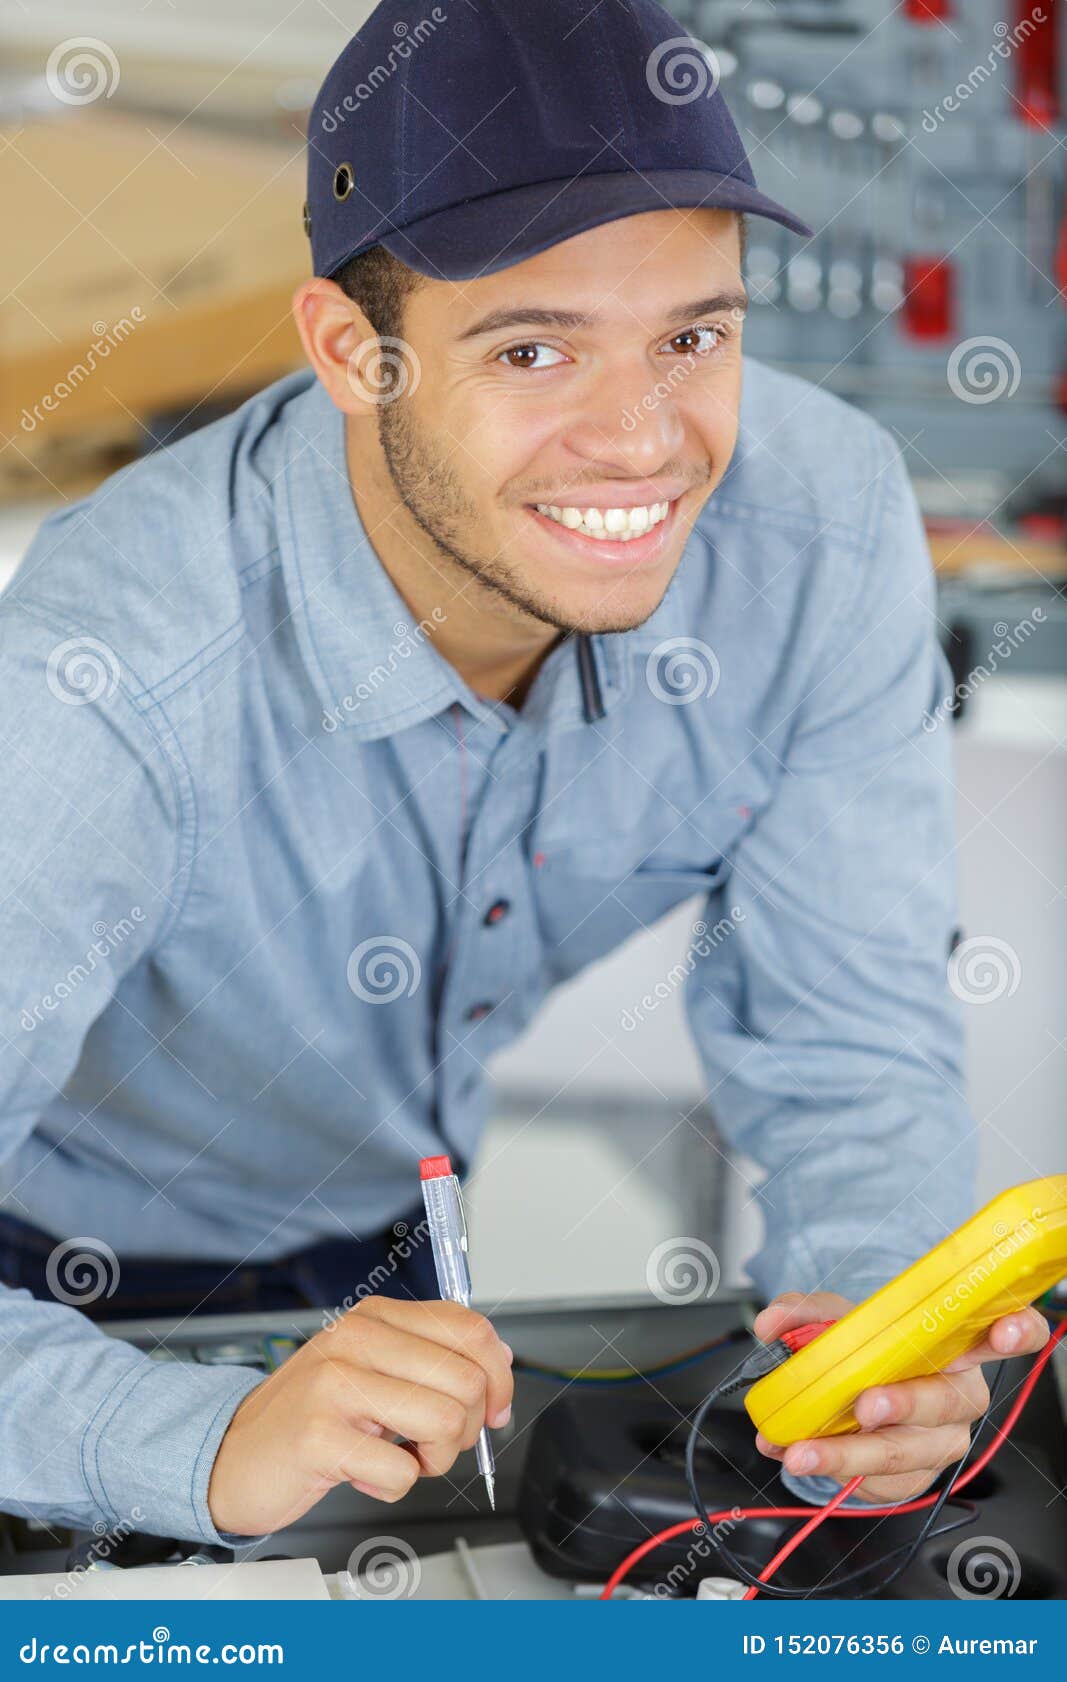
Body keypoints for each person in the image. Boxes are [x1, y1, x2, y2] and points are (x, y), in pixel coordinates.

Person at [0, 0, 1046, 1552]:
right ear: (355, 355)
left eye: (694, 335)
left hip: (400, 1275)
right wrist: (190, 1432)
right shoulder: (100, 685)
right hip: (56, 1301)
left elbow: (850, 1051)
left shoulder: (821, 534)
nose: (642, 442)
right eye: (534, 346)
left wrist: (882, 1345)